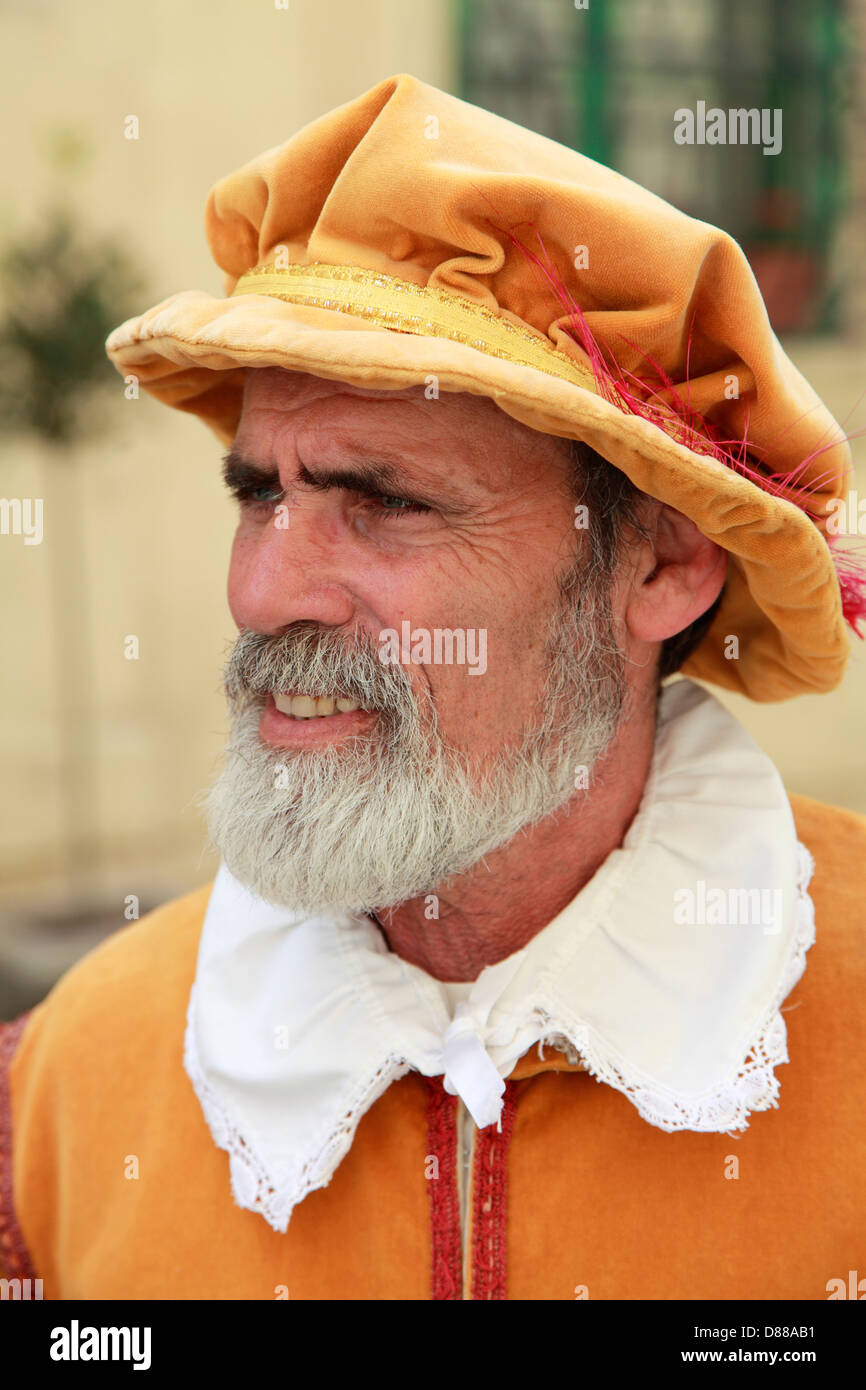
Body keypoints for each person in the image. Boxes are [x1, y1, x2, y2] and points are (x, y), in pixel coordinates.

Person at [1, 73, 864, 1301]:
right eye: (261, 494)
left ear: (666, 561)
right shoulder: (62, 1094)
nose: (264, 592)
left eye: (387, 503)